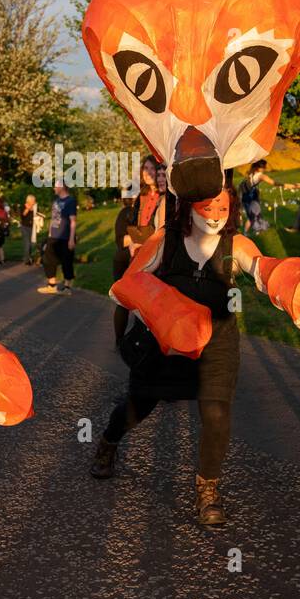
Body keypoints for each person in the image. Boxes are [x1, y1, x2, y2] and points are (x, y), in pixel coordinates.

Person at [91, 177, 244, 525]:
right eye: (209, 206)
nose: (217, 213)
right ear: (190, 205)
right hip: (165, 341)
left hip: (216, 343)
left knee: (217, 413)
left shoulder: (237, 243)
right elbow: (126, 284)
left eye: (224, 205)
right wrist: (156, 308)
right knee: (138, 406)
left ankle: (208, 489)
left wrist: (293, 285)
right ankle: (108, 441)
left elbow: (262, 268)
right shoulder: (166, 239)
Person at [111, 155, 164, 344]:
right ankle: (120, 341)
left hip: (153, 252)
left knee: (146, 303)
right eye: (145, 169)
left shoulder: (164, 195)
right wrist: (133, 241)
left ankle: (142, 341)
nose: (149, 173)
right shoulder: (141, 196)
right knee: (124, 298)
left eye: (152, 169)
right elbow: (133, 225)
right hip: (135, 253)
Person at [38, 181, 76, 295]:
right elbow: (53, 219)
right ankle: (52, 285)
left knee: (66, 262)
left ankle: (67, 288)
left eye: (56, 186)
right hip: (53, 236)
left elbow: (73, 221)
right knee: (47, 259)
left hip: (65, 237)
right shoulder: (55, 201)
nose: (54, 188)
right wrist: (49, 234)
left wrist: (71, 238)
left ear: (62, 187)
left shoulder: (70, 201)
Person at [19, 194, 39, 266]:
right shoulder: (23, 206)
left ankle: (29, 257)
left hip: (33, 227)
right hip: (25, 227)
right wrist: (28, 209)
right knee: (27, 244)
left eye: (34, 200)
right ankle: (26, 260)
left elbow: (38, 214)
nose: (34, 202)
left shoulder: (36, 207)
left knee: (32, 244)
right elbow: (22, 215)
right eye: (33, 200)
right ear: (29, 200)